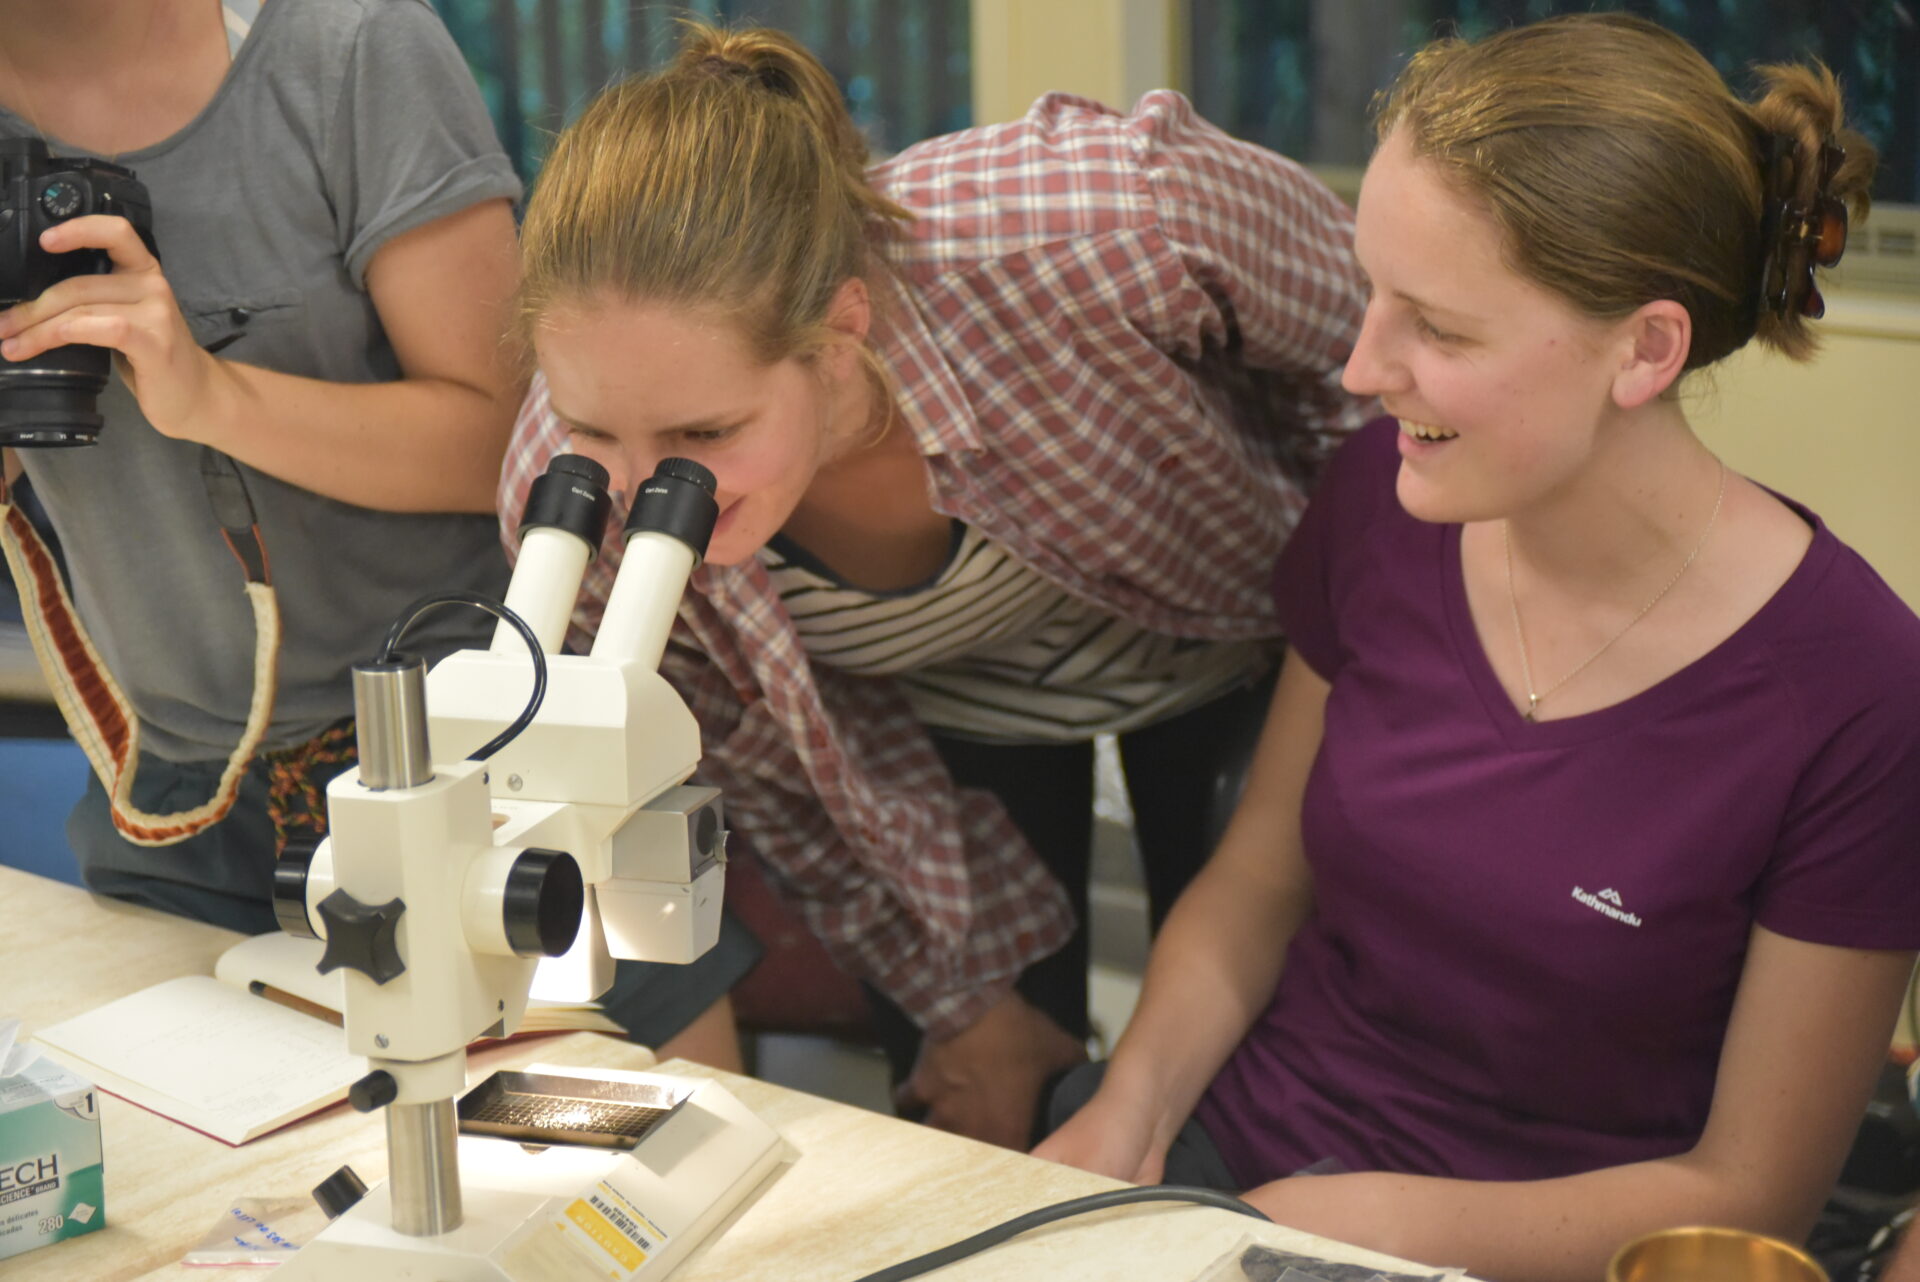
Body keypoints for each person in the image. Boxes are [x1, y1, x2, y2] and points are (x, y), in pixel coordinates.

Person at [1033, 14, 1920, 1280]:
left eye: (1436, 330)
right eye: (1370, 294)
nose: (1358, 366)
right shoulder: (1381, 506)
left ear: (1646, 348)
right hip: (1242, 1170)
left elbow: (1752, 1190)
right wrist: (1130, 1112)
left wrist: (1354, 1225)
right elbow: (1251, 888)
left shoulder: (1861, 695)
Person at [499, 23, 1374, 1134]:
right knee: (993, 1102)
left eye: (704, 430)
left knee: (1268, 1089)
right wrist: (965, 1008)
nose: (643, 491)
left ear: (839, 333)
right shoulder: (562, 499)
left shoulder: (1110, 219)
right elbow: (777, 778)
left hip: (1249, 640)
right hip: (948, 725)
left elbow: (1380, 375)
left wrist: (1359, 634)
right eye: (592, 427)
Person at [0, 1, 518, 932]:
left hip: (452, 746)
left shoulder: (346, 48)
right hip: (165, 794)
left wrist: (207, 396)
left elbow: (504, 450)